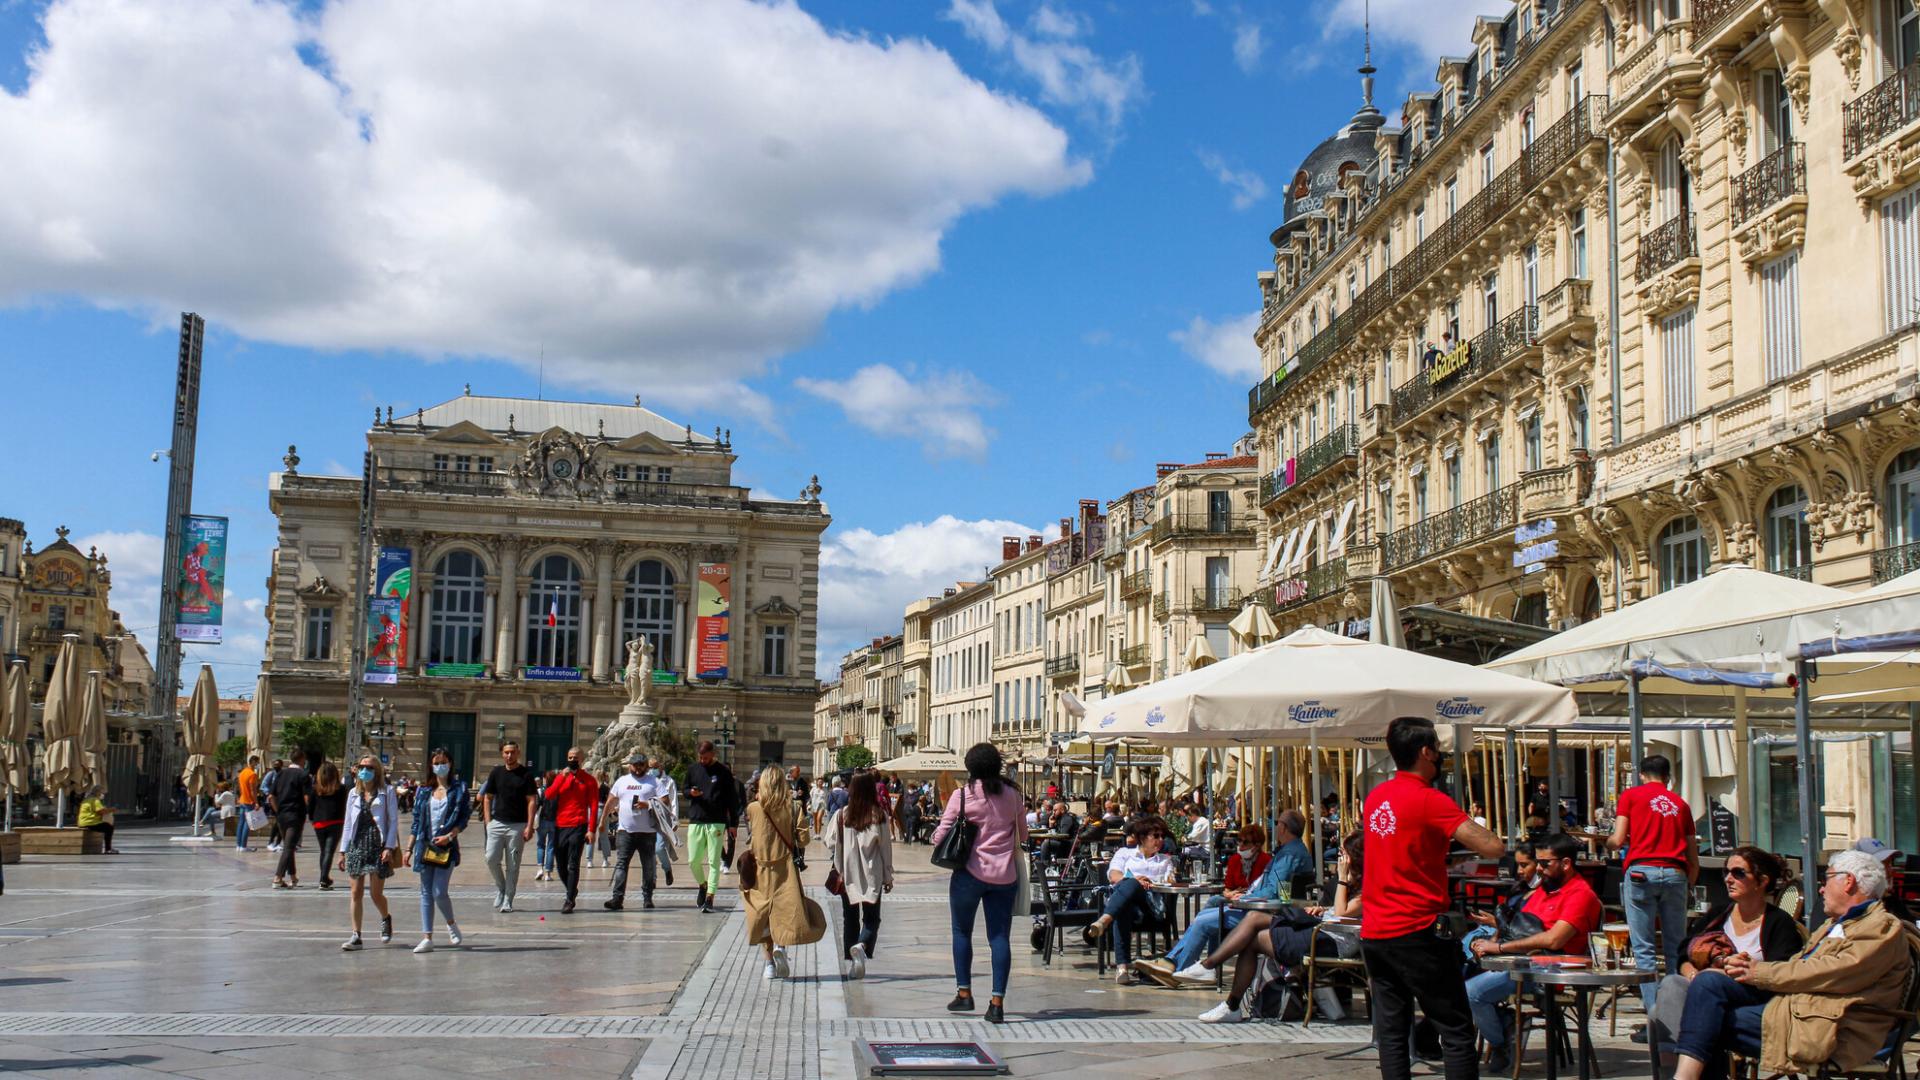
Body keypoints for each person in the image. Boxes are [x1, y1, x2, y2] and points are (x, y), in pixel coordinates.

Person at [1669, 849, 1920, 1080]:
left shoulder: (1879, 927)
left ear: (1848, 881)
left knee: (1708, 1017)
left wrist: (1759, 971)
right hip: (1806, 1012)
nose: (1821, 889)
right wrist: (1743, 967)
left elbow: (1831, 971)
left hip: (1834, 1029)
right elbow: (1801, 965)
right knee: (1709, 985)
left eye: (1827, 880)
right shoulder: (1839, 925)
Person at [1361, 716, 1506, 1080]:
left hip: (1376, 931)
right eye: (1438, 751)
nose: (1441, 758)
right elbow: (1492, 845)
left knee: (1394, 1033)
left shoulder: (1376, 798)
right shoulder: (1430, 800)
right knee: (1455, 1030)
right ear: (1427, 752)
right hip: (1417, 928)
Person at [1647, 846, 1803, 1073]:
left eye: (1738, 873)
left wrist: (1734, 971)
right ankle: (1670, 1074)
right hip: (1703, 989)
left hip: (1753, 995)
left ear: (1761, 881)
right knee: (1670, 986)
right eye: (1726, 872)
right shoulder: (1717, 915)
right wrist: (1693, 974)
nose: (1729, 879)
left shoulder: (1779, 923)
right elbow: (1683, 953)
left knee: (1706, 985)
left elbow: (1781, 971)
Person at [1463, 833, 1605, 1073]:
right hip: (1523, 964)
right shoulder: (1544, 890)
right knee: (1460, 973)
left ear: (1566, 863)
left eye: (1545, 863)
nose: (1539, 869)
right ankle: (1505, 1025)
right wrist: (1492, 936)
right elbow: (1521, 928)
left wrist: (1497, 947)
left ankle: (1501, 1040)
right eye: (1537, 863)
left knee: (1471, 993)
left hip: (1549, 973)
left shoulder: (1580, 894)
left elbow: (1553, 938)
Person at [1194, 831, 1365, 1022]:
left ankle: (1219, 983)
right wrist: (1323, 908)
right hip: (1322, 929)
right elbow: (1338, 910)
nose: (1340, 858)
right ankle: (1218, 982)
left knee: (1253, 938)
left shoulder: (1366, 887)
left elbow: (1343, 913)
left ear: (1355, 857)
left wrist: (1342, 877)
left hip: (1333, 941)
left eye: (1343, 853)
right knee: (1253, 918)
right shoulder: (1353, 882)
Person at [931, 742, 1027, 1025]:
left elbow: (940, 837)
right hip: (1005, 876)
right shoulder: (1013, 795)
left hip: (969, 875)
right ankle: (997, 1003)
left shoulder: (962, 796)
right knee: (999, 938)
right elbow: (1023, 835)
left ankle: (964, 993)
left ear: (970, 768)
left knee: (962, 932)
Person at [1608, 753, 1698, 1015]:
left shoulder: (1631, 796)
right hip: (1675, 874)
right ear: (1668, 778)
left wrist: (1609, 843)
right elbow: (1692, 854)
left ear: (1641, 775)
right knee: (1675, 946)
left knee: (1644, 949)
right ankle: (1675, 1013)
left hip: (1641, 873)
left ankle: (1655, 1014)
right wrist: (1689, 883)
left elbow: (1618, 837)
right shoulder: (1681, 804)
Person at [743, 765, 825, 979]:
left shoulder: (753, 808)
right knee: (784, 913)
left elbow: (754, 838)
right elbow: (804, 839)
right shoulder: (794, 806)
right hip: (785, 869)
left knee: (763, 916)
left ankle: (769, 964)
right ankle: (781, 947)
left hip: (760, 870)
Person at [1083, 815, 1174, 986]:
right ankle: (1122, 968)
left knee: (1129, 886)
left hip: (1151, 908)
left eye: (1162, 836)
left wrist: (1163, 879)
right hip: (1128, 907)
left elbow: (1170, 881)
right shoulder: (1124, 853)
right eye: (1155, 836)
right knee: (1126, 894)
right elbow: (1113, 875)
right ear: (1142, 838)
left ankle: (1104, 921)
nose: (1160, 840)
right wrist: (1134, 881)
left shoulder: (1164, 860)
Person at [827, 770, 894, 980]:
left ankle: (853, 958)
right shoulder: (879, 815)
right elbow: (885, 849)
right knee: (872, 918)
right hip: (872, 873)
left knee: (850, 917)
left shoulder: (842, 815)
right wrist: (888, 875)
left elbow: (829, 841)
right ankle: (862, 945)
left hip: (848, 874)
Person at [405, 748, 470, 953]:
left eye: (443, 762)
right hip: (425, 846)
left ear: (450, 764)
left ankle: (451, 924)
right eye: (436, 762)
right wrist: (409, 848)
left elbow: (463, 819)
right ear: (431, 766)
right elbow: (416, 822)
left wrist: (449, 836)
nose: (440, 766)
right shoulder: (424, 791)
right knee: (425, 892)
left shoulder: (459, 789)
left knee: (439, 891)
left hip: (446, 846)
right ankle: (427, 937)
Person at [339, 755, 398, 951]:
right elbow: (348, 823)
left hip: (377, 846)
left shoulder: (387, 792)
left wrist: (389, 847)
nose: (365, 770)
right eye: (362, 766)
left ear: (377, 771)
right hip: (357, 845)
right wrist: (343, 850)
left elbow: (392, 822)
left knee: (375, 894)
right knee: (355, 892)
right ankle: (356, 935)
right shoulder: (352, 794)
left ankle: (385, 918)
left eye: (370, 767)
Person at [481, 740, 538, 913]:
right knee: (490, 858)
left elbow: (531, 801)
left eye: (512, 752)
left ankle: (508, 898)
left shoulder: (526, 775)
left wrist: (529, 826)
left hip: (518, 825)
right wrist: (488, 821)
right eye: (506, 752)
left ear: (518, 753)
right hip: (497, 823)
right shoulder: (496, 773)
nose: (509, 755)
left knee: (513, 864)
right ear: (502, 754)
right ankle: (501, 887)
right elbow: (487, 797)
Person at [542, 748, 600, 914]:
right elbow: (549, 794)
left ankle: (569, 899)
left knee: (573, 863)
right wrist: (562, 778)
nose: (572, 760)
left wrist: (591, 830)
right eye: (570, 757)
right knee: (560, 864)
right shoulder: (560, 777)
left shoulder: (589, 780)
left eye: (575, 758)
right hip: (560, 825)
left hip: (579, 824)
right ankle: (571, 888)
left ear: (581, 760)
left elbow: (594, 806)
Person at [603, 752, 662, 911]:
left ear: (645, 766)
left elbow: (665, 801)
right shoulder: (622, 781)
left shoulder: (653, 782)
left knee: (648, 866)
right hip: (625, 831)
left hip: (647, 832)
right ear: (630, 765)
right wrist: (603, 821)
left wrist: (647, 804)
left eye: (640, 766)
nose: (637, 769)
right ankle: (617, 899)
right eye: (634, 766)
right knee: (621, 864)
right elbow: (610, 801)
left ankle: (648, 898)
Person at [685, 741, 739, 913]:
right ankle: (703, 884)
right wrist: (690, 793)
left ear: (713, 755)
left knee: (714, 862)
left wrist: (733, 824)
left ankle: (710, 897)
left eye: (706, 758)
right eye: (700, 757)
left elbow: (732, 799)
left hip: (717, 820)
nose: (703, 761)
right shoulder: (693, 769)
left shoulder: (724, 772)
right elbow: (684, 789)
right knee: (693, 860)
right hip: (696, 819)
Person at [269, 749, 312, 888]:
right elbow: (307, 797)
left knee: (289, 845)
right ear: (302, 759)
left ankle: (293, 877)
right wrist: (310, 812)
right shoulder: (304, 775)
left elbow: (271, 796)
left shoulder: (280, 773)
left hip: (281, 815)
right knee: (289, 847)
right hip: (295, 814)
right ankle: (278, 877)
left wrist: (278, 811)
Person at [309, 762, 348, 890]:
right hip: (335, 822)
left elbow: (311, 806)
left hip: (319, 823)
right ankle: (323, 880)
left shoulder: (316, 789)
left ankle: (324, 877)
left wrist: (311, 819)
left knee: (324, 851)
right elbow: (345, 806)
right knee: (329, 851)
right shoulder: (341, 789)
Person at [649, 757, 679, 888]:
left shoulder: (669, 781)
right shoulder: (646, 780)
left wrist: (675, 820)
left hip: (663, 819)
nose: (652, 770)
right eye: (650, 767)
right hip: (648, 818)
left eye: (655, 767)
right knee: (649, 851)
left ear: (661, 767)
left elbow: (673, 801)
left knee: (660, 847)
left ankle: (667, 869)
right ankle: (652, 879)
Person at [533, 769, 559, 882]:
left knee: (540, 845)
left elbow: (536, 806)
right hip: (554, 821)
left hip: (543, 821)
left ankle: (540, 869)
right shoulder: (558, 792)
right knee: (551, 847)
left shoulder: (540, 791)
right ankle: (548, 873)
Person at [76, 789, 118, 853]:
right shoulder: (95, 800)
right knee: (109, 828)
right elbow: (101, 811)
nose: (102, 794)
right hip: (91, 822)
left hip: (82, 822)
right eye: (101, 792)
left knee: (105, 826)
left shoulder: (86, 800)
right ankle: (108, 849)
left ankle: (108, 848)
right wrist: (112, 809)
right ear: (98, 793)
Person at [235, 754, 261, 851]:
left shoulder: (242, 772)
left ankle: (238, 845)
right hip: (249, 801)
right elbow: (253, 790)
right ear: (253, 762)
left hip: (242, 800)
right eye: (257, 762)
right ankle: (243, 846)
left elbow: (240, 787)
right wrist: (256, 802)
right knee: (247, 823)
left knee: (241, 823)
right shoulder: (252, 774)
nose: (258, 764)